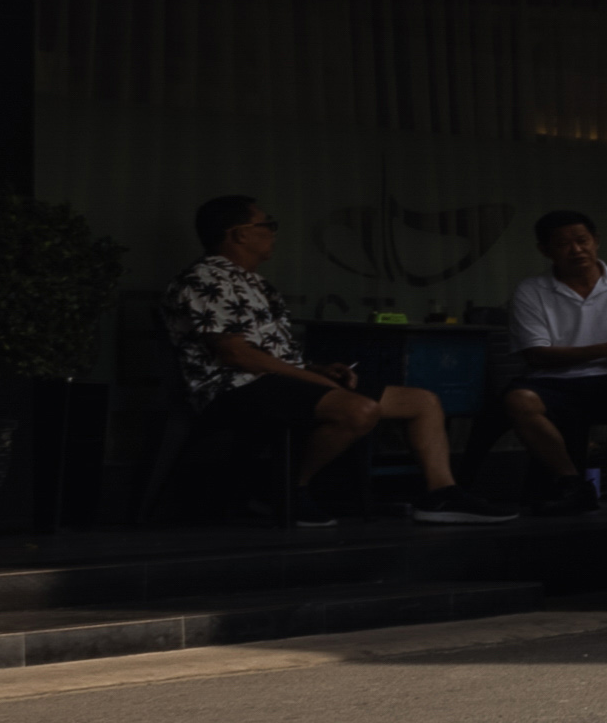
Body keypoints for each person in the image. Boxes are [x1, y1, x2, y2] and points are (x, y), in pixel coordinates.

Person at [172, 195, 493, 517]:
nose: (273, 233)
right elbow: (236, 355)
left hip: (276, 381)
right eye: (267, 225)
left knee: (423, 402)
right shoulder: (205, 278)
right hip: (235, 388)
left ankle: (441, 493)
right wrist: (309, 378)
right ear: (240, 233)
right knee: (359, 410)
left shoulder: (253, 282)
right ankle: (287, 489)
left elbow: (267, 351)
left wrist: (317, 369)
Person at [496, 211, 607, 506]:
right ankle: (571, 482)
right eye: (564, 244)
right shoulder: (531, 291)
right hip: (557, 384)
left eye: (582, 241)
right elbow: (536, 356)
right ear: (545, 251)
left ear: (596, 241)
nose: (576, 250)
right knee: (519, 400)